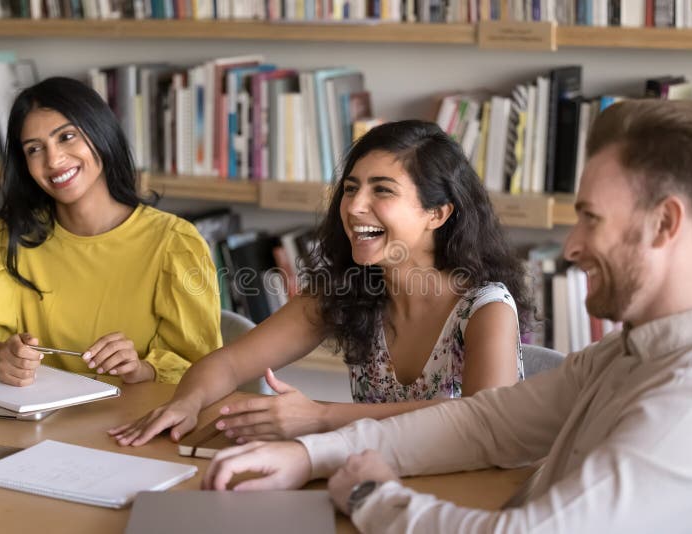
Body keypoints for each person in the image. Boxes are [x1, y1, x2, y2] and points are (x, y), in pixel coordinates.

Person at [201, 99, 692, 533]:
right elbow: (485, 421)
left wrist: (369, 494)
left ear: (664, 224)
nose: (572, 247)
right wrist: (309, 455)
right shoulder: (622, 354)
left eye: (591, 219)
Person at [110, 120, 533, 446]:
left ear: (437, 213)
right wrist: (186, 403)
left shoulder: (486, 309)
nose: (355, 206)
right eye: (350, 188)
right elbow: (229, 364)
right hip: (374, 480)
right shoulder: (346, 290)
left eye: (382, 191)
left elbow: (483, 421)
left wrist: (320, 417)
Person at [0, 77, 221, 386]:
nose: (53, 160)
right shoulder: (4, 241)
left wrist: (141, 370)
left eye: (67, 136)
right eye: (34, 149)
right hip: (33, 414)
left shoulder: (175, 244)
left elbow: (202, 368)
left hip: (132, 413)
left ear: (100, 132)